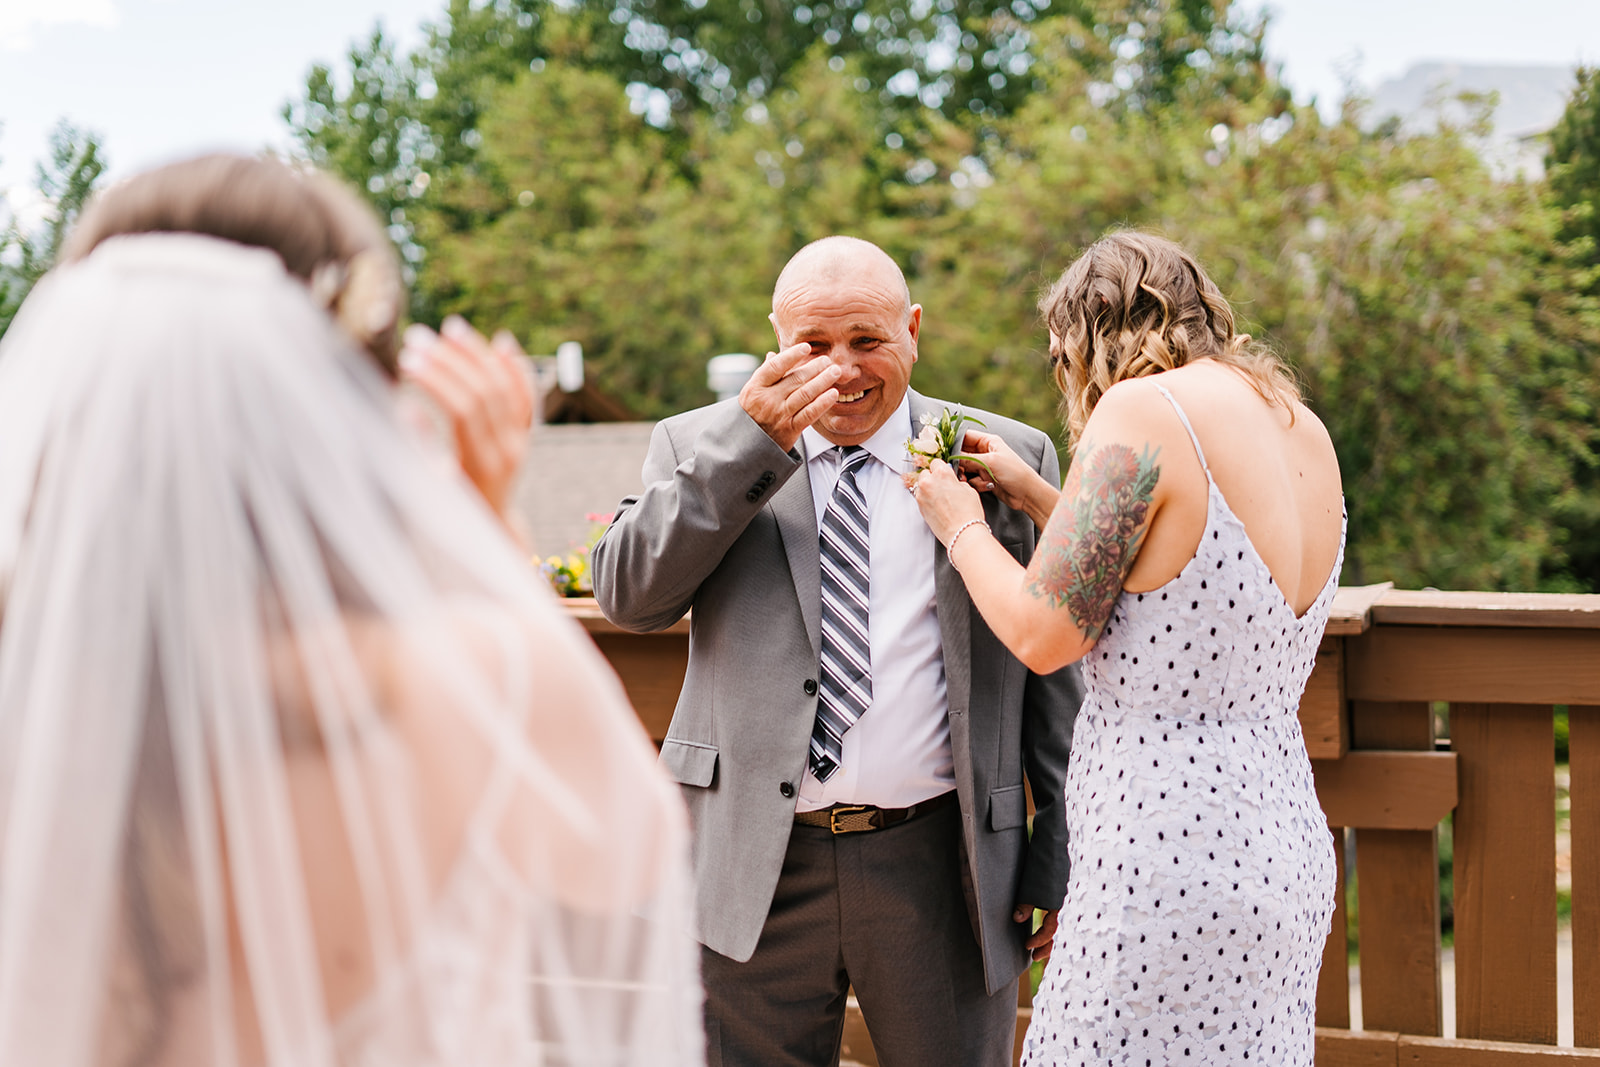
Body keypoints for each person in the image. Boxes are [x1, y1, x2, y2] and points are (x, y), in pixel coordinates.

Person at [0, 159, 705, 1066]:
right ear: (350, 396)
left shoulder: (32, 685)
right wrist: (485, 530)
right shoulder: (456, 676)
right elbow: (625, 862)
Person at [591, 235, 1084, 1066]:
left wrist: (1060, 850)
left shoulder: (1007, 455)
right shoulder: (698, 447)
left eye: (866, 340)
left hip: (945, 865)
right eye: (813, 346)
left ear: (913, 328)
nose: (842, 369)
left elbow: (1058, 670)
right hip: (750, 866)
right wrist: (749, 445)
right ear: (776, 338)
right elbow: (630, 597)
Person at [908, 230, 1344, 1065]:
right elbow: (1177, 579)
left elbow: (1044, 634)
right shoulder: (1297, 425)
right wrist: (1040, 496)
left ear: (1093, 334)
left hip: (1164, 857)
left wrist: (959, 527)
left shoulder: (1144, 410)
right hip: (1282, 843)